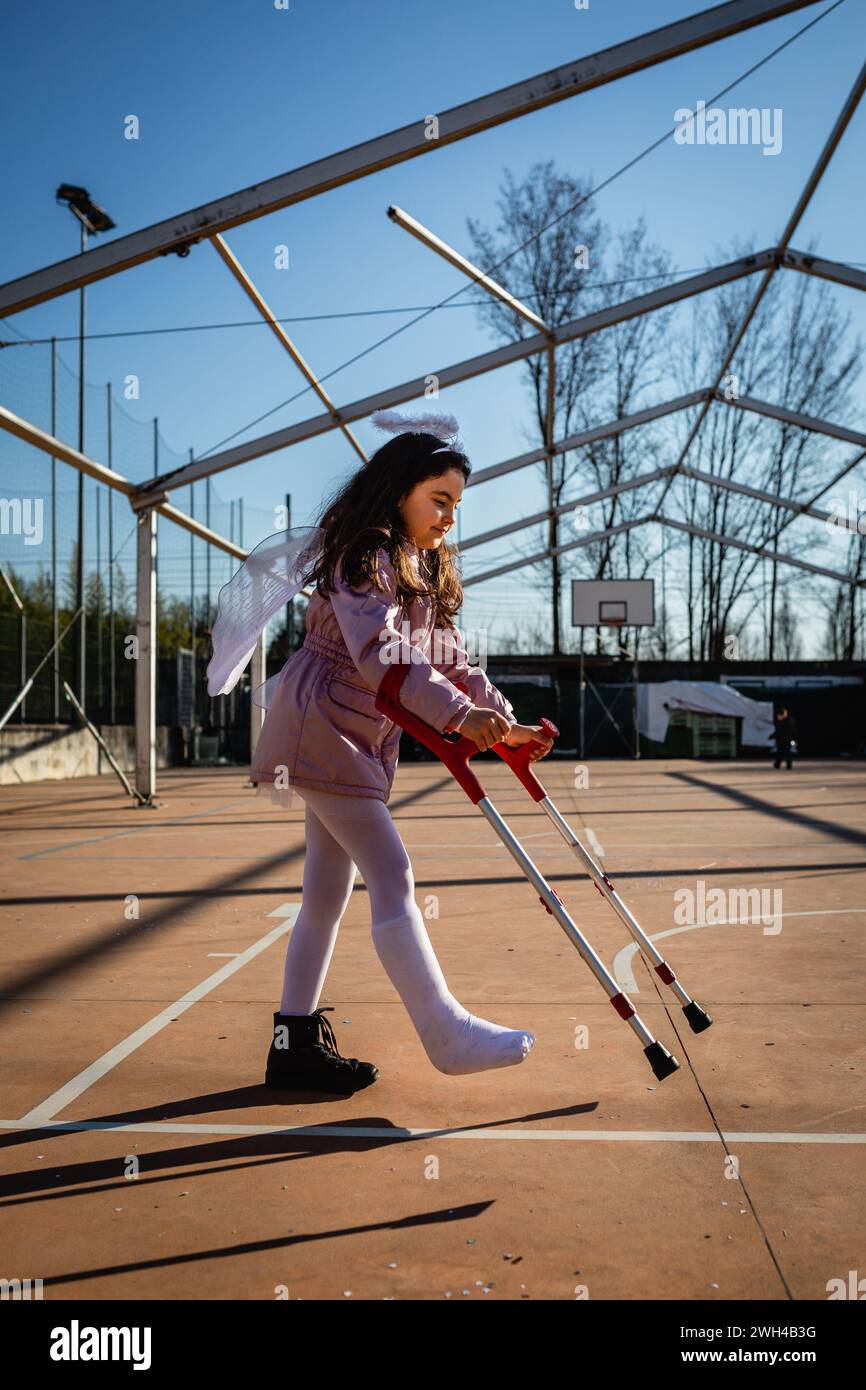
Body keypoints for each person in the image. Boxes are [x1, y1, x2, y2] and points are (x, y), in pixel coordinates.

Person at [207, 409, 554, 1096]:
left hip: (349, 734)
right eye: (440, 499)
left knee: (324, 896)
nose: (449, 517)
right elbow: (382, 654)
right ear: (399, 490)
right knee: (391, 872)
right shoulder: (364, 559)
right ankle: (443, 1030)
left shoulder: (419, 569)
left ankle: (293, 1043)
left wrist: (502, 720)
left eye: (457, 505)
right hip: (322, 729)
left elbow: (446, 657)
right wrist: (459, 715)